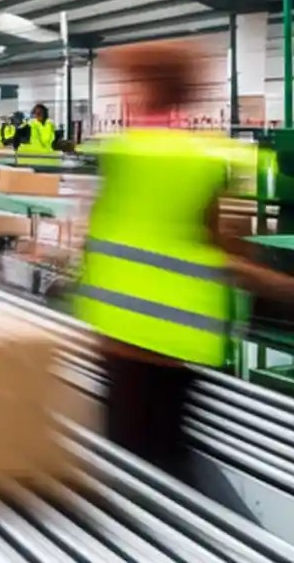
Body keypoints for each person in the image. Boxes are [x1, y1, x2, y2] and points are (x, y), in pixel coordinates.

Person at [75, 41, 294, 487]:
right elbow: (226, 249)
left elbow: (90, 235)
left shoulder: (119, 153)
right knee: (165, 459)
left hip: (119, 334)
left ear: (140, 90)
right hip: (182, 342)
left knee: (129, 465)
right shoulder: (211, 159)